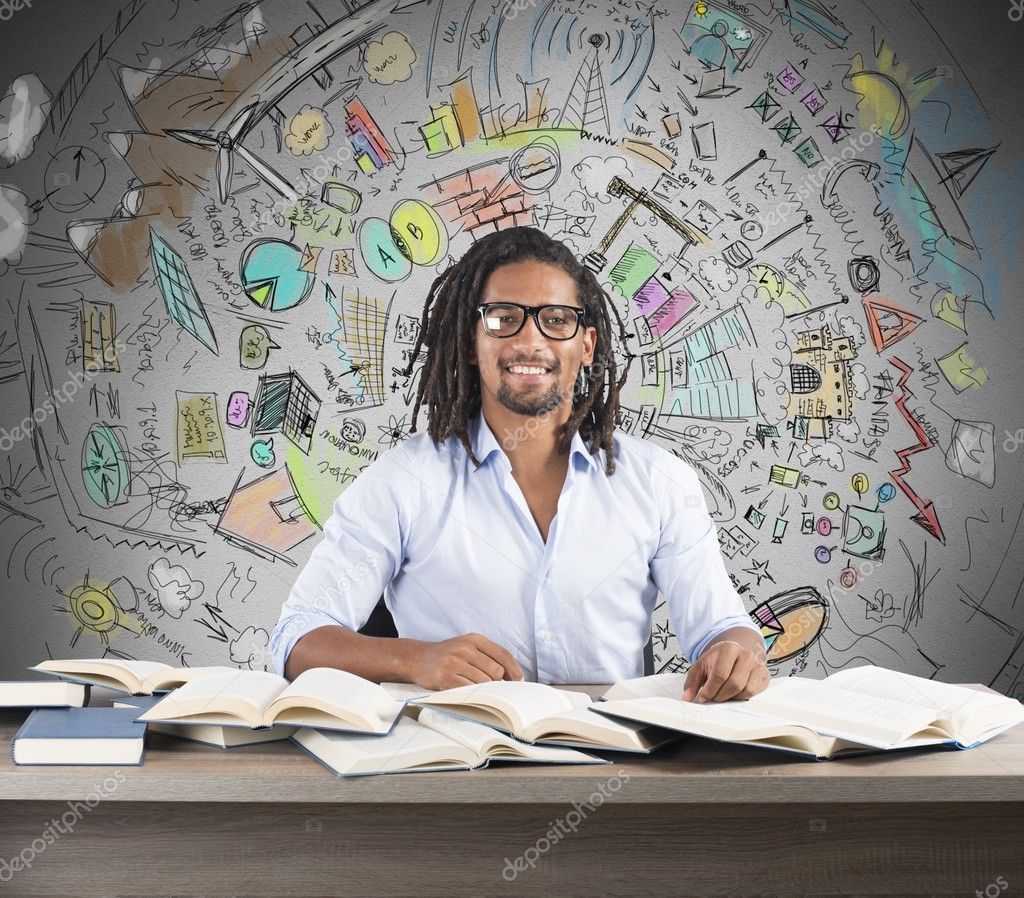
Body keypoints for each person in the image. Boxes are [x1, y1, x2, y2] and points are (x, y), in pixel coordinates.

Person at [269, 226, 770, 703]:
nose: (530, 342)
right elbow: (296, 639)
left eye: (556, 320)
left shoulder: (660, 482)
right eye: (503, 317)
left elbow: (722, 629)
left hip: (614, 767)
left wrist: (736, 654)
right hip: (454, 766)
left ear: (586, 345)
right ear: (471, 341)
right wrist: (414, 658)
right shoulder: (403, 482)